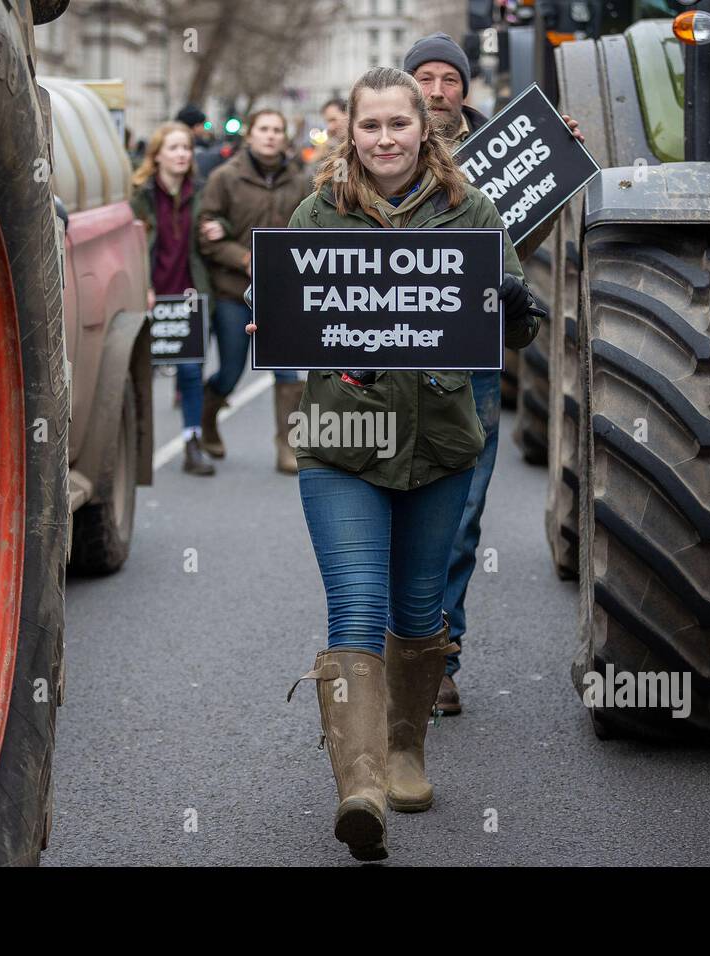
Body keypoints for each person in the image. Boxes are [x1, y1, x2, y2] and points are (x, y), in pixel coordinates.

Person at [259, 67, 542, 861]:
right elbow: (288, 317)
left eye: (399, 124)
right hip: (343, 448)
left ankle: (407, 748)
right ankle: (361, 781)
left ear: (426, 129)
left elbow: (514, 328)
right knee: (354, 605)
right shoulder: (316, 213)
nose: (385, 139)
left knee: (420, 612)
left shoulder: (471, 211)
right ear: (350, 132)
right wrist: (267, 313)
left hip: (440, 447)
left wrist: (518, 308)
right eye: (371, 125)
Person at [404, 33, 583, 716]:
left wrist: (556, 157)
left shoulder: (505, 157)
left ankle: (438, 656)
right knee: (392, 505)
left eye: (451, 78)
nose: (439, 89)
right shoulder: (381, 150)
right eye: (427, 76)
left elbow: (516, 253)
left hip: (470, 363)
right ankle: (390, 649)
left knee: (460, 513)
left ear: (465, 91)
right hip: (389, 363)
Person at [197, 108, 312, 473]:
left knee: (288, 373)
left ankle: (287, 446)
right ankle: (208, 417)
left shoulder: (300, 180)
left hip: (282, 297)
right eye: (264, 129)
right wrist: (245, 259)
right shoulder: (224, 178)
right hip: (234, 291)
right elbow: (206, 232)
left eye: (277, 130)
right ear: (250, 134)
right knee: (231, 369)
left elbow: (313, 229)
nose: (271, 136)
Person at [130, 122, 225, 475]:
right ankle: (135, 447)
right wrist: (142, 286)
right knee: (141, 375)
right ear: (156, 156)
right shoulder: (139, 195)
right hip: (149, 298)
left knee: (190, 372)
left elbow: (219, 222)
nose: (183, 154)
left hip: (189, 298)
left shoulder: (200, 192)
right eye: (173, 148)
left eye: (186, 147)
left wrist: (220, 229)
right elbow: (129, 245)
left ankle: (192, 443)